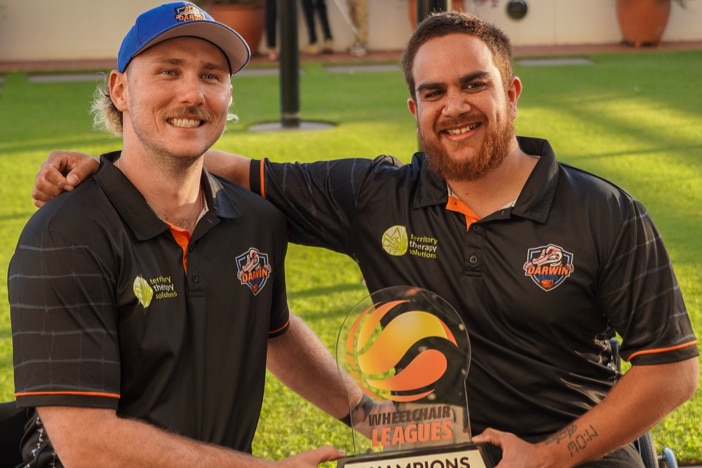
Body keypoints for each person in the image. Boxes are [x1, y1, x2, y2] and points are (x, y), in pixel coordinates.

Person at [32, 11, 699, 468]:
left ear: (512, 92)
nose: (454, 105)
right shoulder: (377, 195)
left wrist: (549, 456)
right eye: (433, 90)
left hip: (582, 457)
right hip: (445, 454)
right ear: (414, 109)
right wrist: (104, 162)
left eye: (475, 84)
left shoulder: (605, 211)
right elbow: (201, 158)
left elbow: (672, 372)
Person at [10, 2, 369, 466]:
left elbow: (272, 332)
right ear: (120, 90)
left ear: (229, 95)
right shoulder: (64, 235)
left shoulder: (257, 221)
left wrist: (372, 416)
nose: (192, 94)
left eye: (211, 76)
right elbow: (87, 445)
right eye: (168, 71)